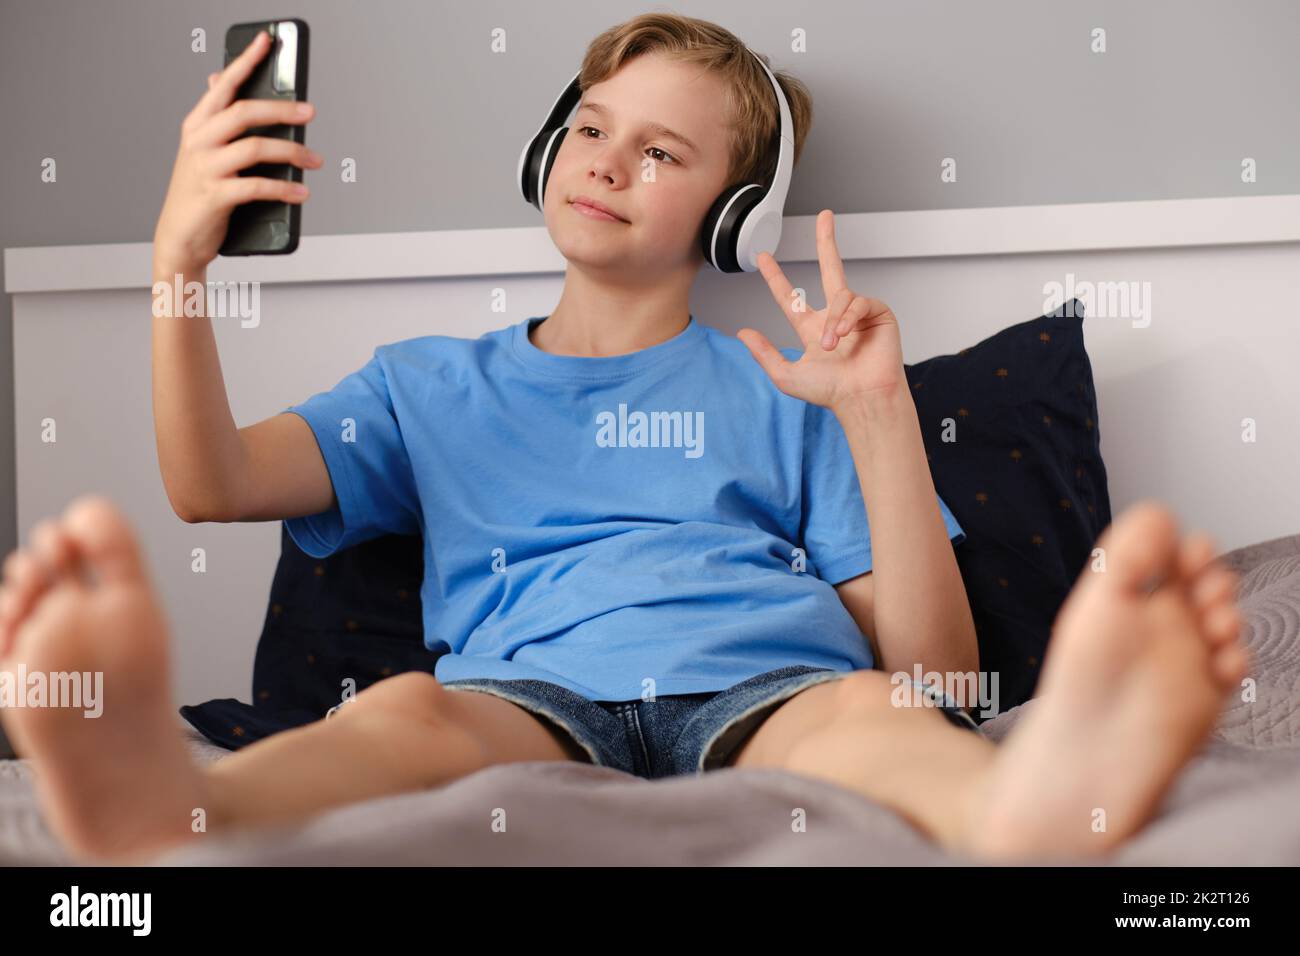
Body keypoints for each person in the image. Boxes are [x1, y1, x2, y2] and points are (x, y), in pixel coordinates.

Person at [0, 13, 1250, 863]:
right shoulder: (425, 385)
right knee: (401, 715)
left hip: (772, 685)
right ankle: (180, 802)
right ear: (550, 146)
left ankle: (1022, 809)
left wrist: (875, 411)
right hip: (523, 693)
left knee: (875, 714)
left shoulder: (786, 380)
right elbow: (208, 483)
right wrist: (177, 266)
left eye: (660, 152)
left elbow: (931, 671)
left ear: (732, 213)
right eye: (591, 128)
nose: (605, 162)